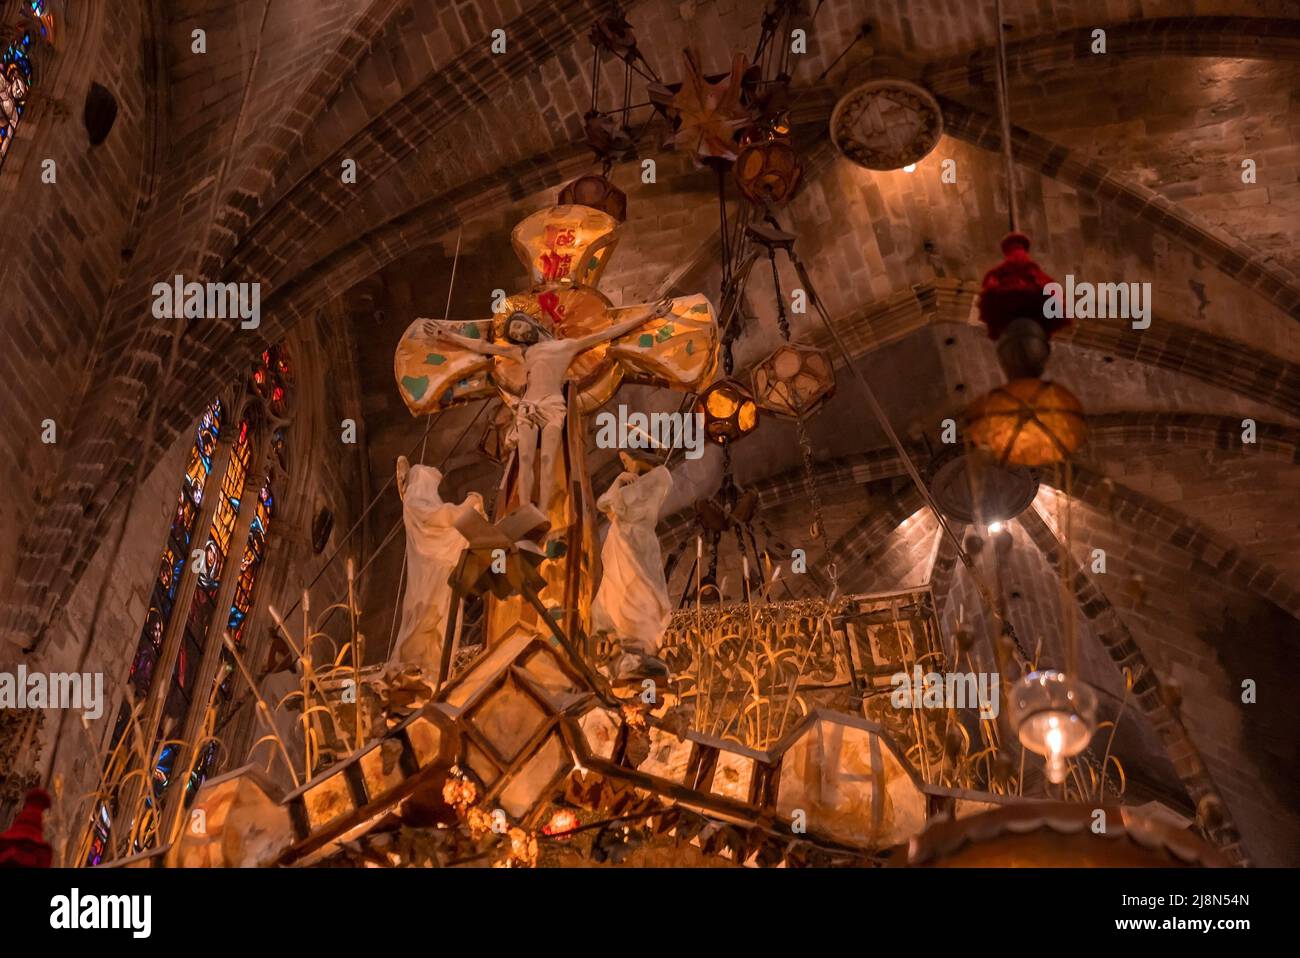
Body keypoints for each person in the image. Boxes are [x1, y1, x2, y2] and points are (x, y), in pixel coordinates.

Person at [421, 301, 671, 512]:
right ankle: (525, 510)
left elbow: (607, 334)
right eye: (514, 333)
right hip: (529, 405)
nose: (518, 334)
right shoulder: (523, 354)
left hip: (553, 405)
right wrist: (446, 334)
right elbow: (484, 347)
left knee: (549, 457)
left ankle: (543, 511)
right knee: (526, 457)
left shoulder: (566, 346)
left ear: (531, 323)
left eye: (519, 326)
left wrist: (649, 314)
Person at [388, 456, 486, 677]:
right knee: (425, 622)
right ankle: (417, 674)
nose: (432, 489)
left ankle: (431, 676)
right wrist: (469, 505)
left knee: (442, 625)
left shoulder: (426, 504)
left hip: (443, 573)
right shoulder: (414, 503)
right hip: (428, 576)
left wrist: (474, 516)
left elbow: (453, 529)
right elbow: (441, 519)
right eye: (428, 483)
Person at [591, 452, 674, 683]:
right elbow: (602, 504)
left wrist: (624, 482)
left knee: (640, 593)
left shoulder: (658, 479)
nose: (625, 465)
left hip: (637, 546)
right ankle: (626, 651)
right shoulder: (632, 486)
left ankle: (637, 650)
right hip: (622, 544)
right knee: (617, 594)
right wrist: (619, 479)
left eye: (627, 460)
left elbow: (616, 505)